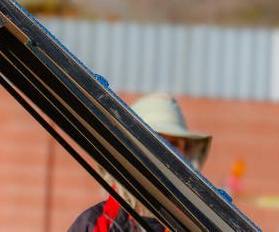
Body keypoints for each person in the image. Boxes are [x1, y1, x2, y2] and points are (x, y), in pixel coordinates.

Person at [68, 93, 212, 232]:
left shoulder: (203, 226)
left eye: (174, 144)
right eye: (155, 142)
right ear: (129, 151)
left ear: (186, 154)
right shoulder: (93, 225)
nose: (165, 154)